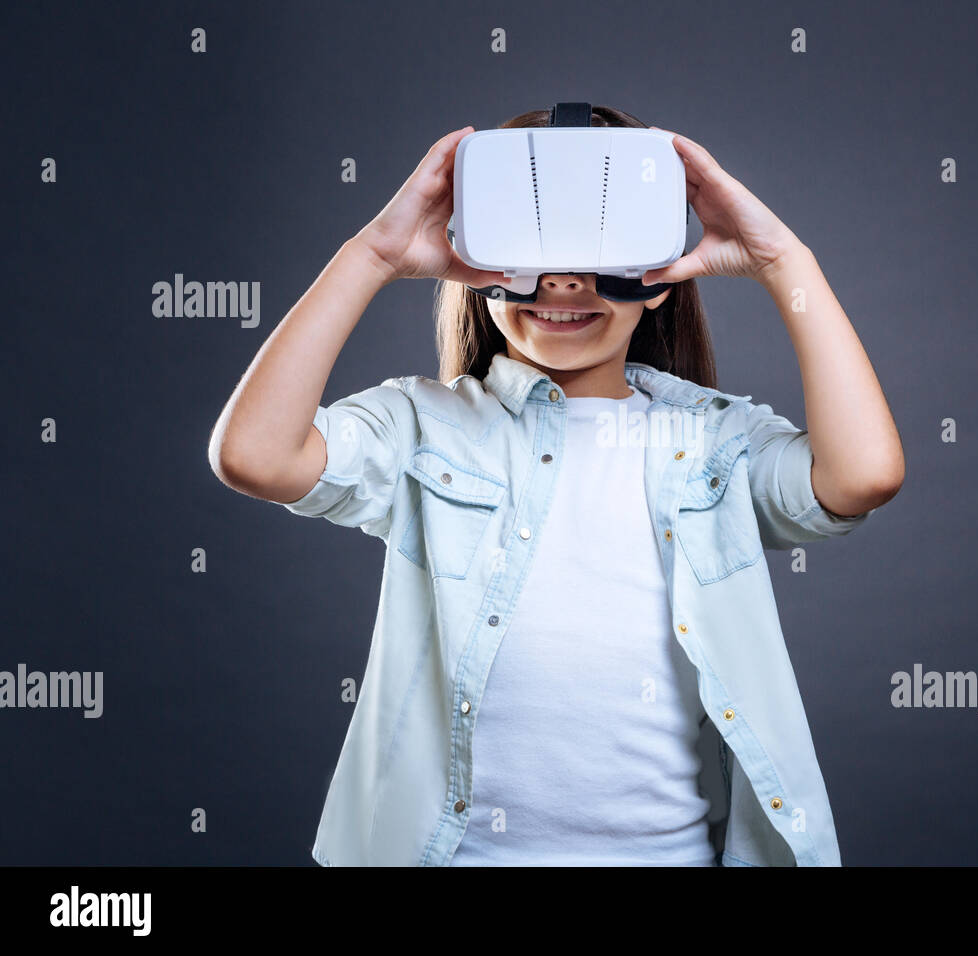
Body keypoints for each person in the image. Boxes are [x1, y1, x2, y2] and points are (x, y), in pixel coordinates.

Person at [208, 104, 905, 866]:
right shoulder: (423, 427)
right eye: (533, 246)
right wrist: (372, 255)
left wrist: (784, 262)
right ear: (479, 266)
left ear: (660, 279)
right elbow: (256, 455)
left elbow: (863, 475)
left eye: (603, 249)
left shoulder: (711, 440)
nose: (566, 279)